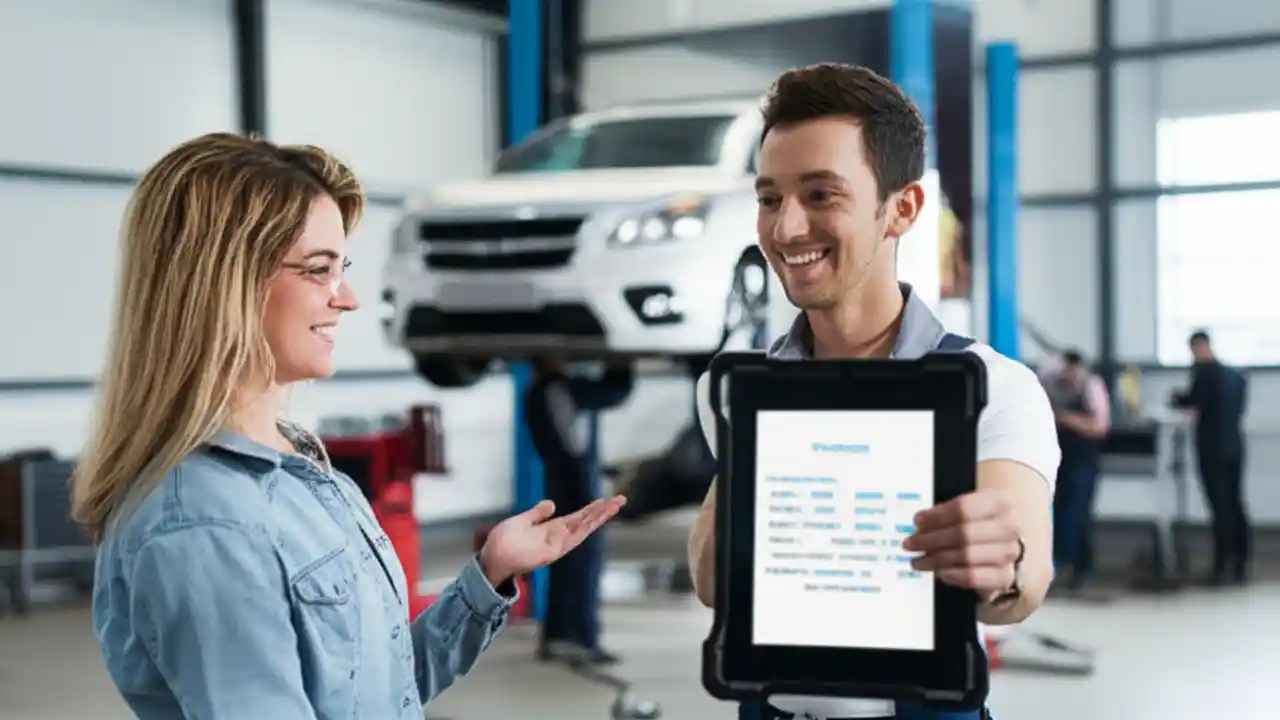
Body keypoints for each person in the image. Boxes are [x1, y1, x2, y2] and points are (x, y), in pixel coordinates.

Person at [70, 132, 626, 720]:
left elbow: (380, 691)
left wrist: (491, 573)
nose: (349, 299)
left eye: (343, 269)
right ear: (225, 285)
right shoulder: (205, 525)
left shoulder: (299, 473)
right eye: (319, 270)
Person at [686, 63, 1062, 720]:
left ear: (903, 209)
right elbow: (713, 581)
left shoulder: (996, 389)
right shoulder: (738, 391)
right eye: (770, 198)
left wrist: (1001, 564)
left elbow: (1023, 578)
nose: (785, 229)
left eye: (822, 195)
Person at [524, 355, 634, 664]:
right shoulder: (557, 389)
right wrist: (621, 358)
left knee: (566, 564)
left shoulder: (538, 392)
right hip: (576, 494)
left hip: (561, 491)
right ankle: (580, 639)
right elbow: (613, 393)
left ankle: (560, 637)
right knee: (582, 566)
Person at [1170, 330, 1250, 585]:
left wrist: (1175, 399)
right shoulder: (1236, 377)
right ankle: (1240, 564)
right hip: (1235, 446)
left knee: (1220, 508)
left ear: (1197, 347)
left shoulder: (1204, 374)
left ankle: (1221, 566)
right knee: (1236, 504)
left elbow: (1193, 405)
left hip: (1211, 447)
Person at [1039, 350, 1111, 590]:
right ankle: (1060, 566)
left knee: (1079, 515)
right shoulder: (1051, 384)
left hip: (1084, 459)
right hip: (1059, 458)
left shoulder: (1091, 386)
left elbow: (1099, 426)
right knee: (1059, 512)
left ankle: (1082, 568)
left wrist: (1068, 419)